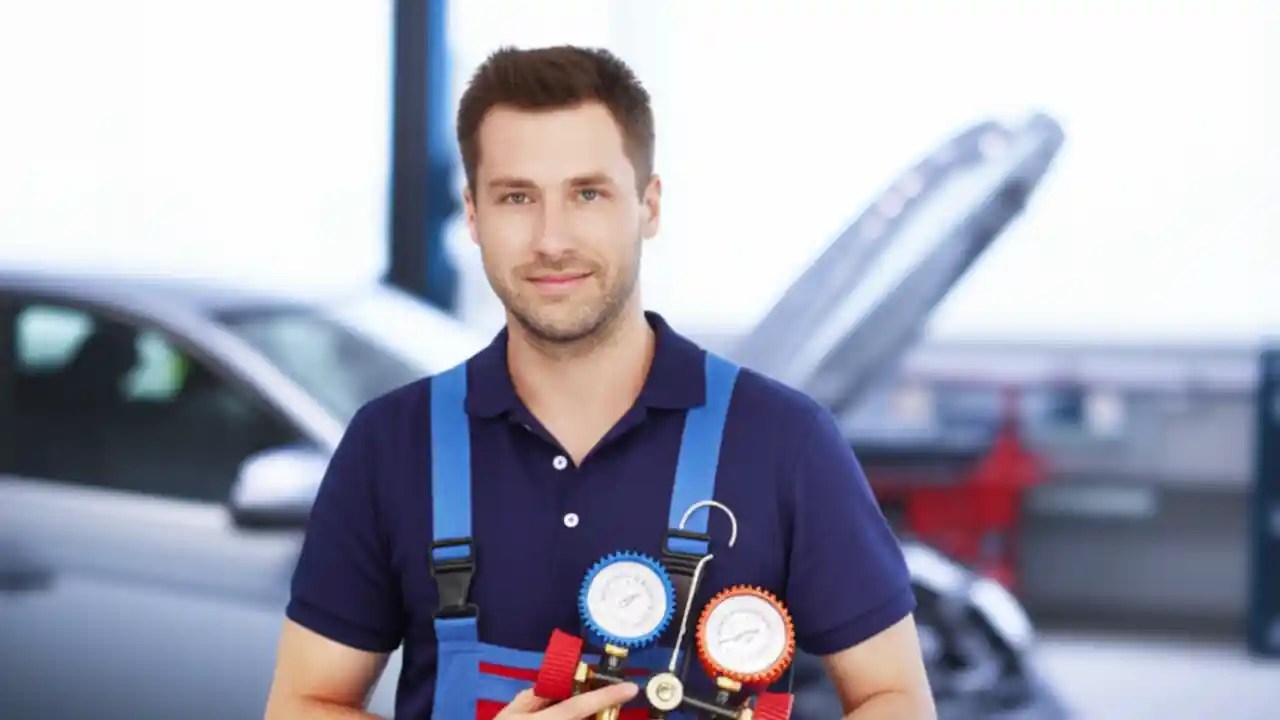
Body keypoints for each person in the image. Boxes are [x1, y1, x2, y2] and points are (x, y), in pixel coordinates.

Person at [264, 45, 936, 719]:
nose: (552, 238)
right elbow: (301, 704)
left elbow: (896, 698)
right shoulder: (392, 446)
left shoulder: (784, 442)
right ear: (473, 214)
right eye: (517, 197)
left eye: (588, 193)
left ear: (648, 206)